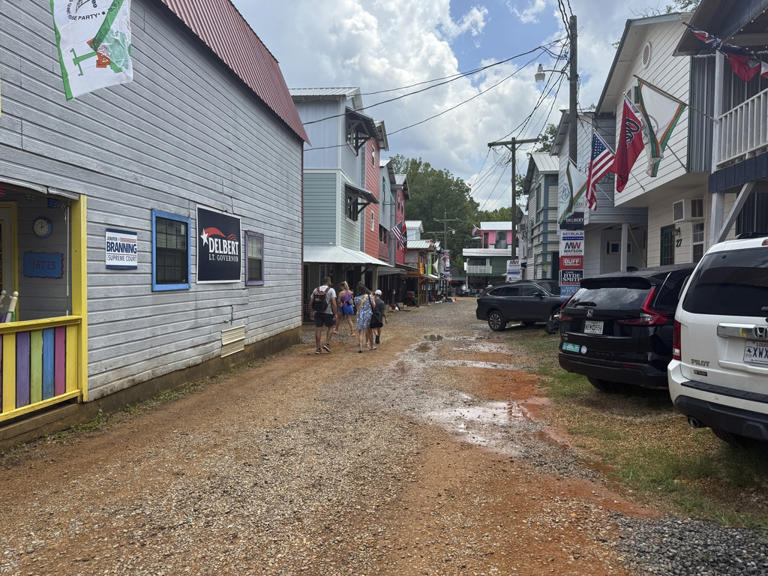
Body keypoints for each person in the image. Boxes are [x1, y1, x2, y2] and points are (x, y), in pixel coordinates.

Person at [309, 277, 337, 354]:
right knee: (331, 327)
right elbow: (334, 303)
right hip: (328, 312)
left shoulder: (316, 290)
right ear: (328, 282)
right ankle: (327, 344)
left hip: (317, 312)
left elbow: (311, 302)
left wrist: (311, 312)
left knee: (318, 329)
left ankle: (318, 348)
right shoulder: (331, 290)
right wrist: (335, 313)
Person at [353, 282, 375, 352]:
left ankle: (361, 348)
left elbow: (356, 307)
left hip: (360, 315)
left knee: (361, 332)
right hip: (368, 315)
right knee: (370, 331)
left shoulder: (355, 298)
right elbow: (374, 305)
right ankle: (371, 346)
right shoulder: (369, 296)